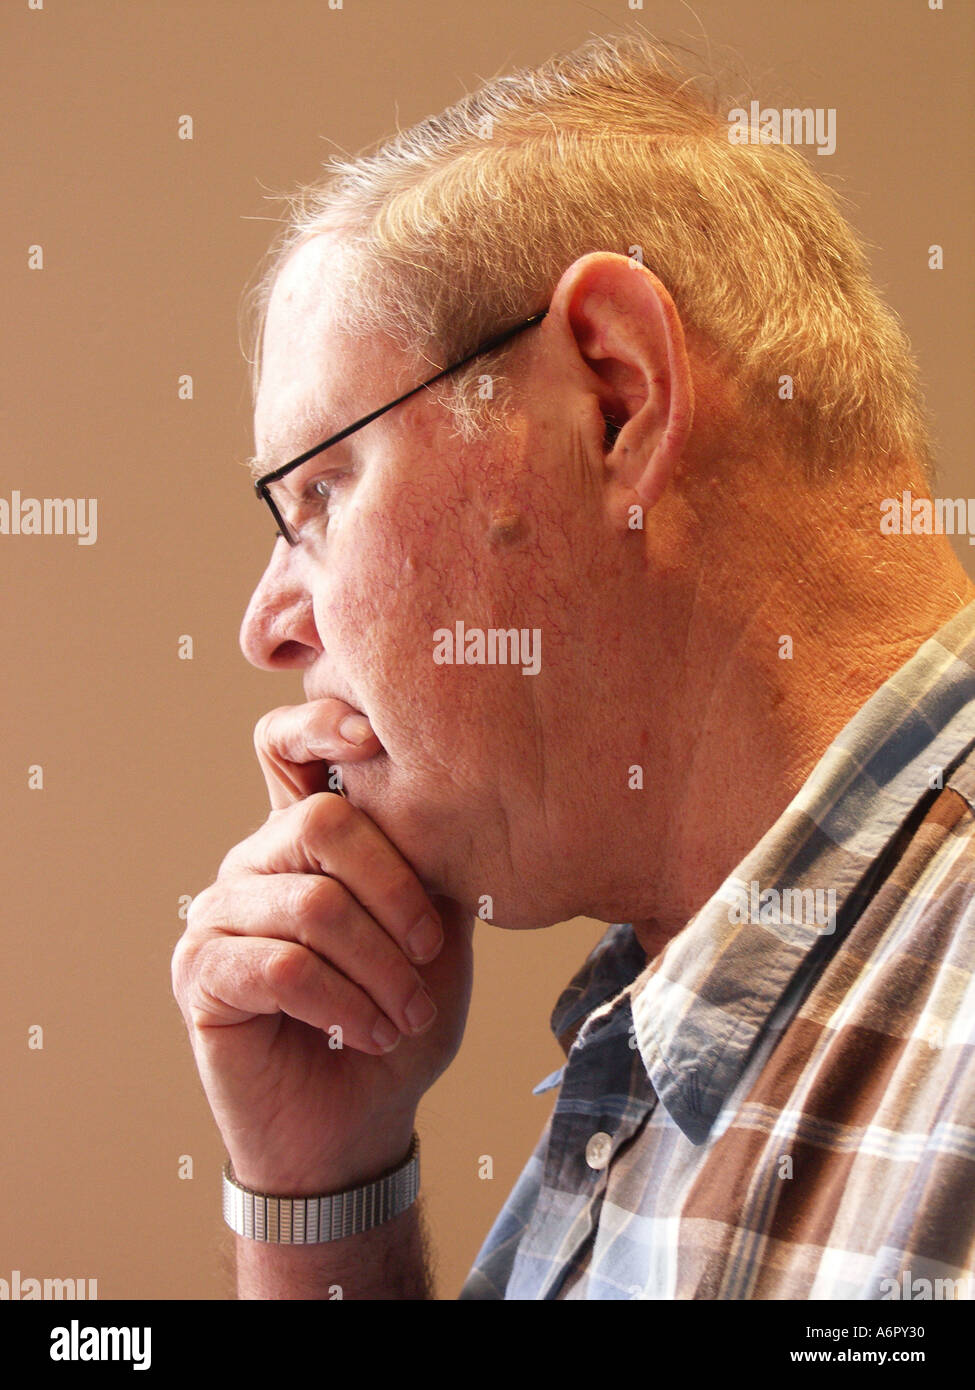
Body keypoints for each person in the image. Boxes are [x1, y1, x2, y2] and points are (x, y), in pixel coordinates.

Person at [171, 31, 975, 1299]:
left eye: (319, 491)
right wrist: (324, 1190)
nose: (266, 627)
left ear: (613, 393)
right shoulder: (674, 1024)